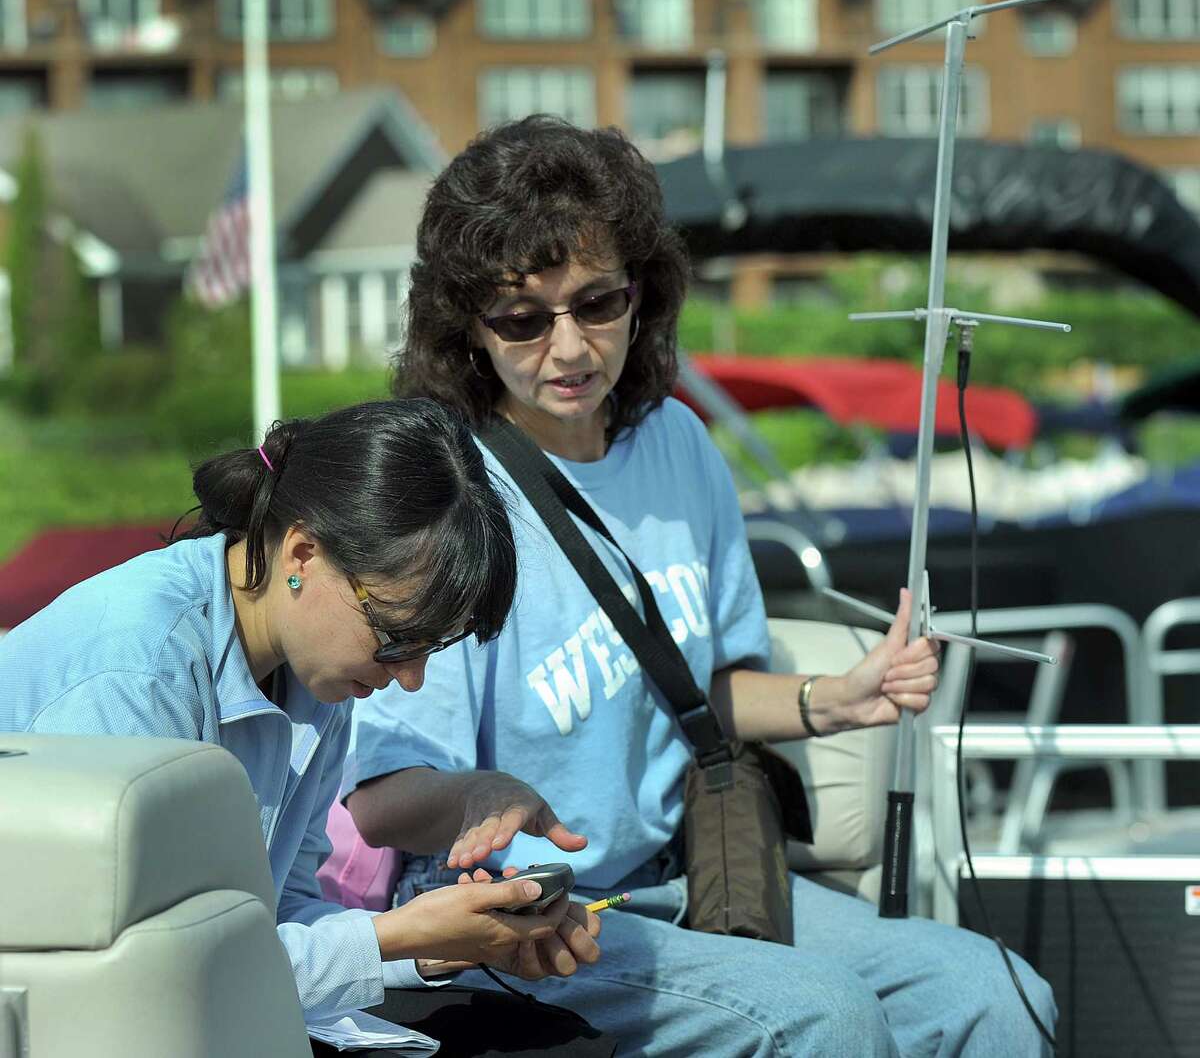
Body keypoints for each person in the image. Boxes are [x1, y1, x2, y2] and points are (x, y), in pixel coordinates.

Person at [344, 117, 1059, 1056]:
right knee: (827, 1017)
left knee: (997, 994)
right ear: (467, 330)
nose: (569, 349)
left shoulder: (680, 444)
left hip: (699, 877)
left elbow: (702, 687)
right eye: (523, 318)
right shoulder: (444, 495)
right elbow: (375, 797)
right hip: (526, 917)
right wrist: (479, 793)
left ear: (643, 297)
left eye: (598, 303)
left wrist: (832, 699)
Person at [0, 397, 604, 1044]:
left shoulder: (316, 673)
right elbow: (153, 981)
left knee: (555, 1036)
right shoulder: (137, 673)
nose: (410, 676)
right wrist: (400, 933)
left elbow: (275, 914)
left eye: (433, 647)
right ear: (302, 553)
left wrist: (440, 945)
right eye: (398, 637)